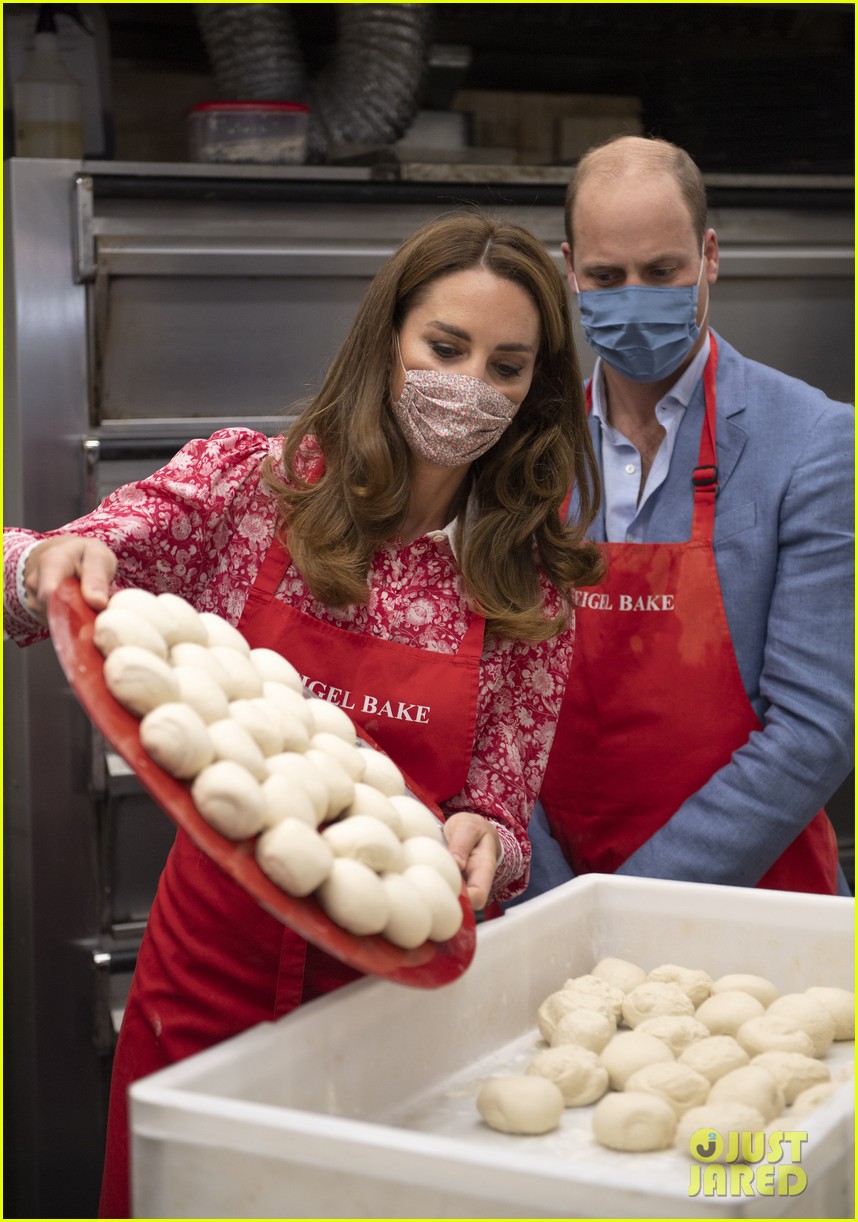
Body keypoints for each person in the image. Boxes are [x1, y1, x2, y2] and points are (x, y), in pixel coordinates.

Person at [3, 212, 603, 1216]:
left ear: (534, 390)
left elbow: (501, 806)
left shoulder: (528, 579)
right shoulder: (253, 488)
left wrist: (488, 842)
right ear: (388, 340)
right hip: (209, 973)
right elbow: (41, 570)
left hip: (391, 1007)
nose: (469, 385)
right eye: (445, 347)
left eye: (505, 367)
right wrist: (40, 567)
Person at [517, 134, 854, 902]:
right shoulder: (527, 450)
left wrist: (630, 908)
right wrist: (550, 900)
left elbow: (817, 728)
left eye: (662, 271)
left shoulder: (814, 441)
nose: (635, 297)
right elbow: (491, 701)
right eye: (607, 277)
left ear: (709, 256)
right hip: (552, 898)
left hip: (752, 900)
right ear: (570, 271)